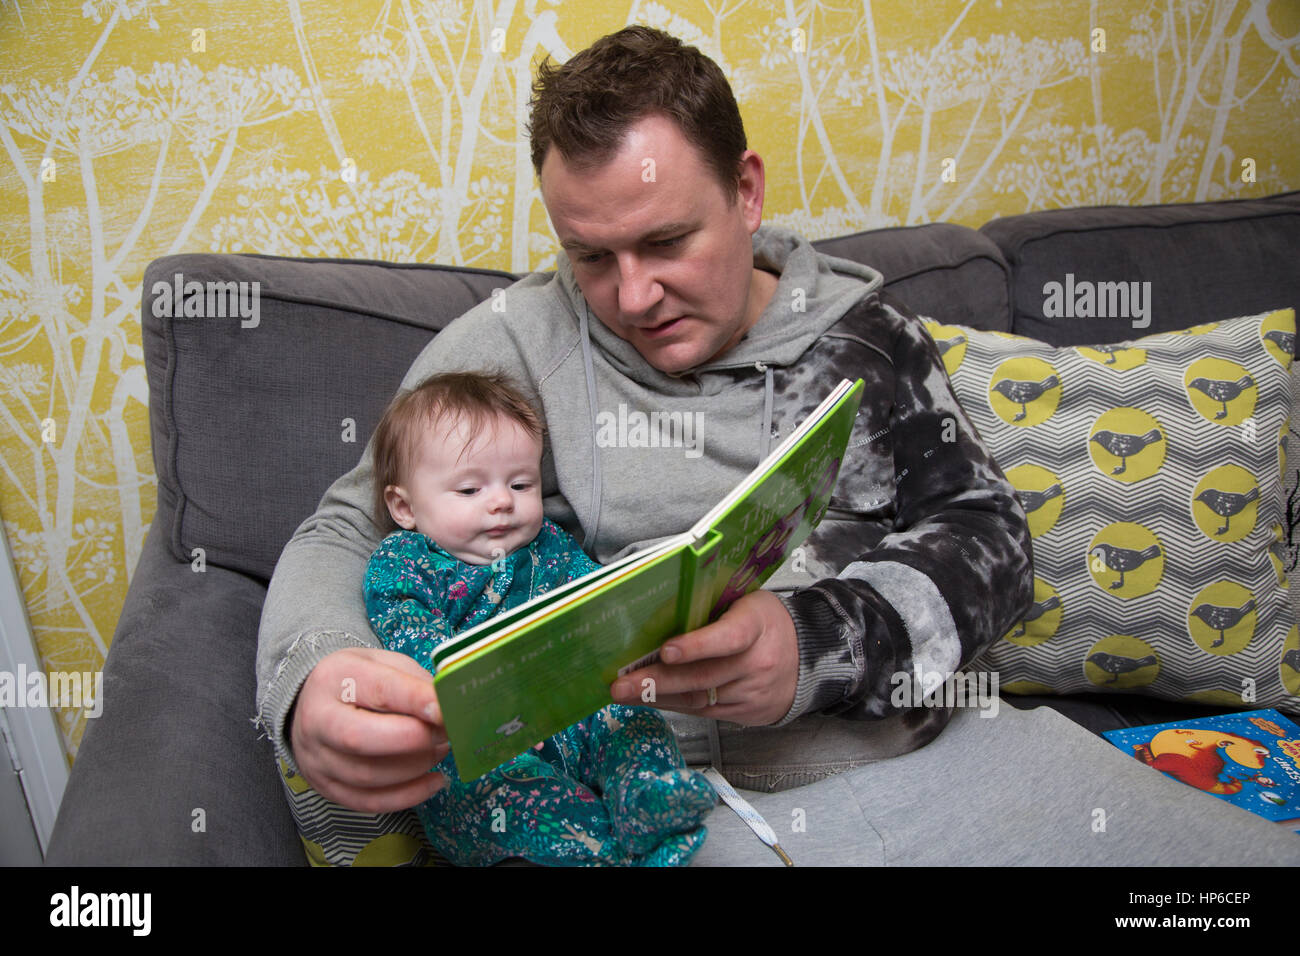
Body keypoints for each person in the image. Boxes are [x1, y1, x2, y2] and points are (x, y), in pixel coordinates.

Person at [258, 25, 1300, 866]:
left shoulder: (861, 334)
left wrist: (812, 642)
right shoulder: (506, 345)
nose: (631, 295)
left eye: (667, 241)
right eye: (590, 255)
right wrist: (314, 679)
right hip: (669, 814)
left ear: (746, 192)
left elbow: (988, 543)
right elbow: (347, 522)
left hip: (930, 758)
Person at [362, 370, 715, 865]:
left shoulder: (548, 545)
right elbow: (414, 638)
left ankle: (645, 799)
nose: (503, 500)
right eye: (469, 490)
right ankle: (606, 848)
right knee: (498, 788)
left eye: (521, 483)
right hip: (485, 743)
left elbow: (600, 600)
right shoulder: (404, 564)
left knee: (631, 717)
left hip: (573, 713)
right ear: (405, 506)